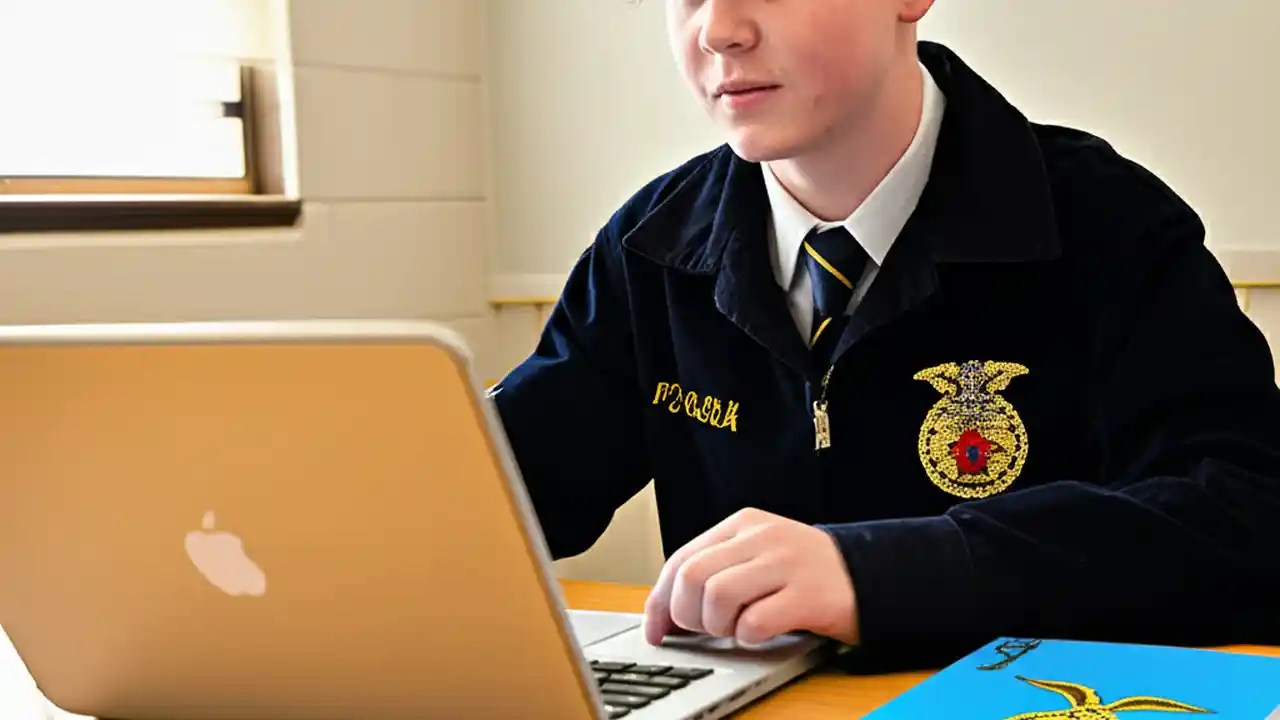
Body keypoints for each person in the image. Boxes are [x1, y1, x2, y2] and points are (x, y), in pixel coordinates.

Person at [490, 0, 1280, 669]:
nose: (719, 29)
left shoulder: (1108, 221)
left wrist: (877, 571)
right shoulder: (651, 247)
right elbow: (506, 497)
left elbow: (1244, 518)